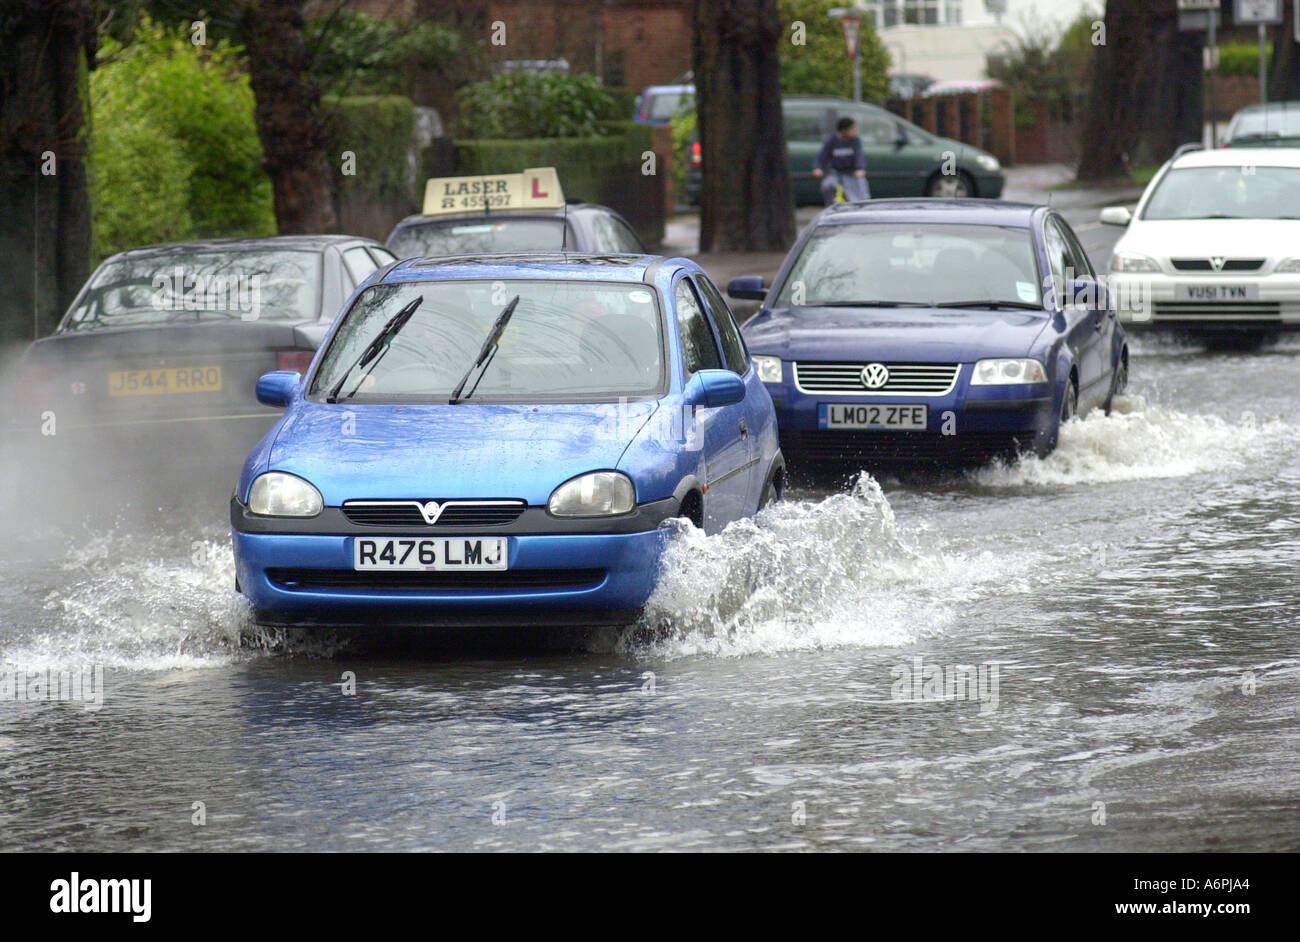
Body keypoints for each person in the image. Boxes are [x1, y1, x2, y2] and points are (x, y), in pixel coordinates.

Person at [812, 117, 869, 206]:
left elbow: (859, 155)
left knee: (859, 194)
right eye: (852, 129)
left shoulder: (855, 140)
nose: (855, 131)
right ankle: (833, 208)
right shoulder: (832, 140)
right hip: (837, 173)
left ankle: (861, 209)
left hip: (852, 174)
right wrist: (817, 167)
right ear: (843, 131)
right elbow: (822, 156)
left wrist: (860, 168)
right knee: (827, 186)